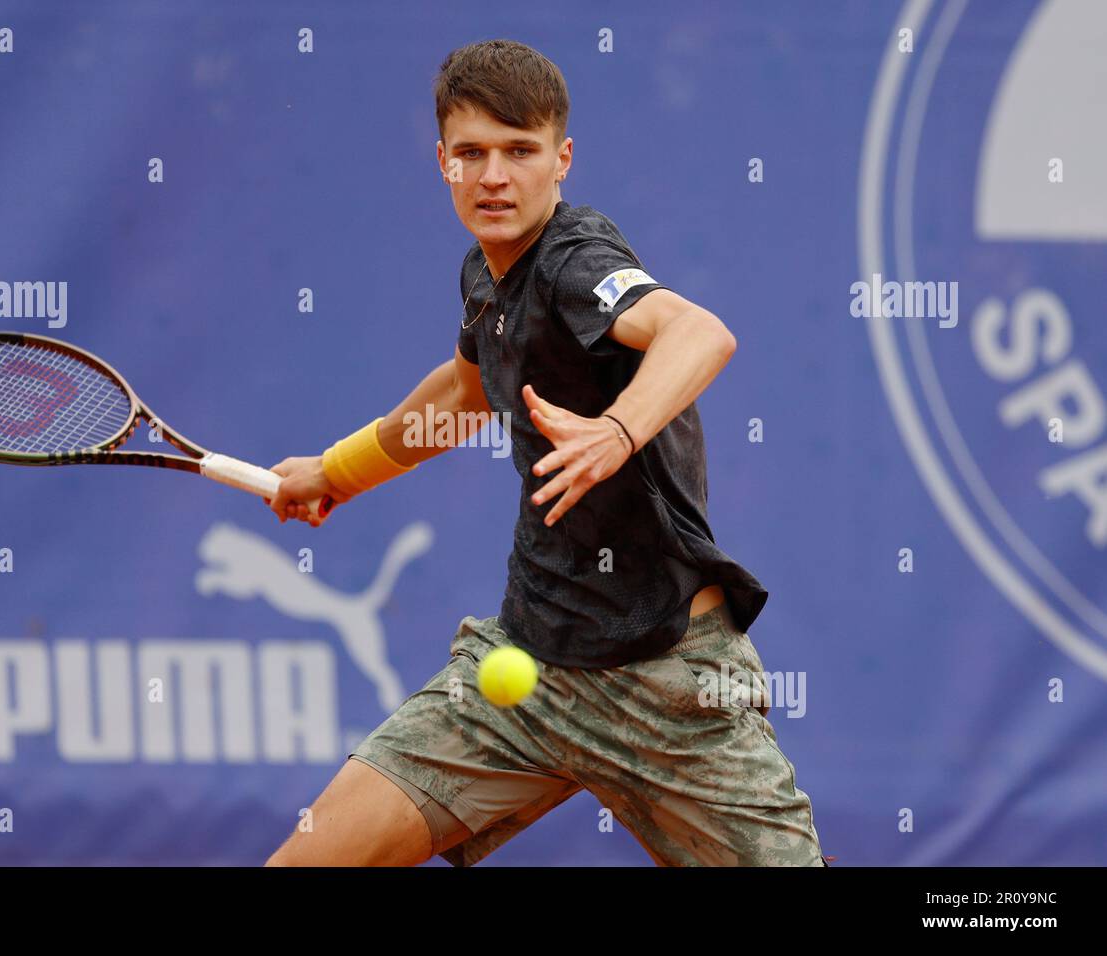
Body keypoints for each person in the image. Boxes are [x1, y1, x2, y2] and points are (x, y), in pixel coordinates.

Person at [263, 38, 826, 867]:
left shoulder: (573, 262)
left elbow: (698, 331)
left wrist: (618, 429)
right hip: (522, 670)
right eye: (472, 154)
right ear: (444, 166)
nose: (495, 176)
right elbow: (461, 393)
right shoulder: (487, 274)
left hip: (672, 688)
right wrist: (335, 472)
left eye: (520, 151)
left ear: (560, 160)